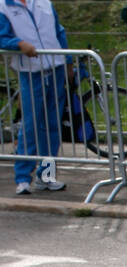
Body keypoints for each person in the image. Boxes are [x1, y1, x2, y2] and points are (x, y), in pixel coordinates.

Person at [0, 0, 70, 195]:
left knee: (52, 126)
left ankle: (46, 176)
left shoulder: (44, 3)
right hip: (30, 72)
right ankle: (23, 178)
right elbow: (2, 37)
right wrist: (19, 44)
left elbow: (59, 31)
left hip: (54, 68)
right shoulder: (4, 7)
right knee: (30, 127)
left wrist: (68, 60)